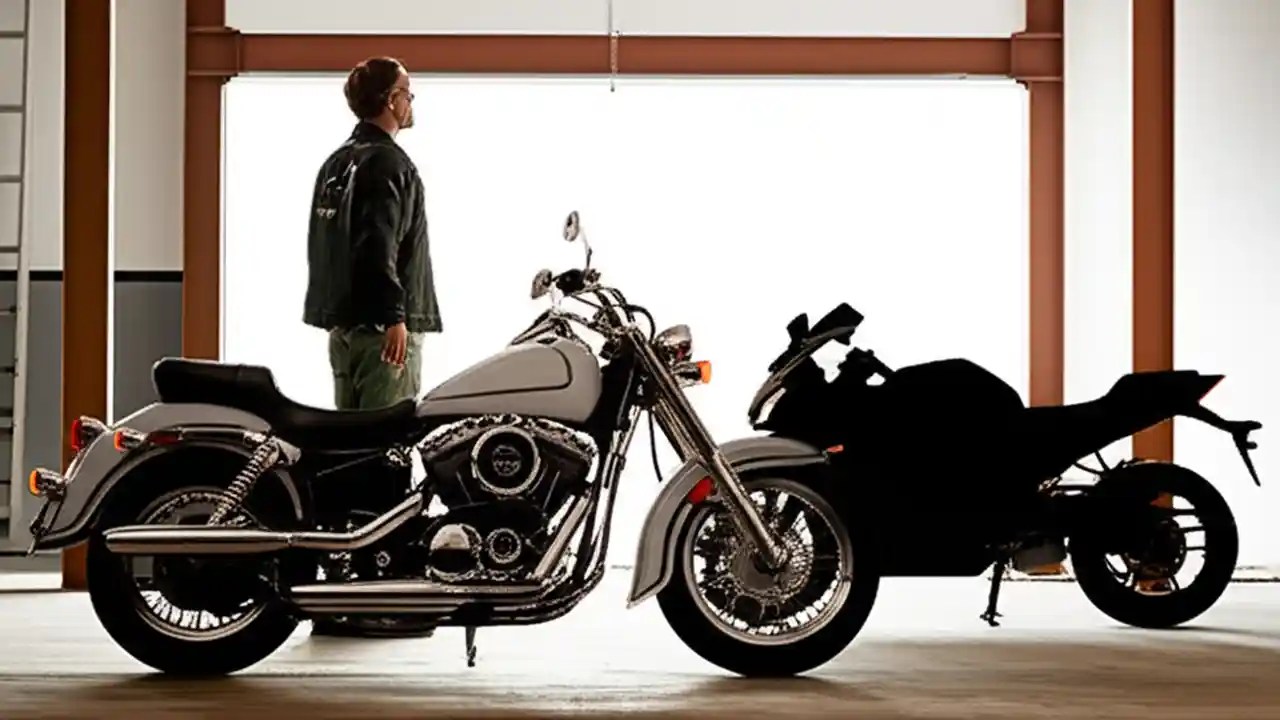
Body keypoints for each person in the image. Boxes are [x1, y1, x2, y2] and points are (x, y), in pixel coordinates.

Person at [302, 56, 443, 638]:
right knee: (385, 458)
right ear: (389, 100)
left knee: (350, 457)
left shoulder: (339, 163)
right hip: (385, 330)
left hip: (343, 330)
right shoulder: (388, 163)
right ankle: (374, 597)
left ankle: (339, 593)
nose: (414, 102)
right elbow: (375, 245)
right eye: (409, 91)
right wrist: (395, 317)